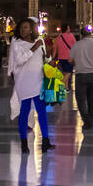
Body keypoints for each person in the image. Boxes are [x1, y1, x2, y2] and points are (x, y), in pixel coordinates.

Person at [9, 18, 54, 153]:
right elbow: (20, 60)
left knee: (41, 111)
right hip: (23, 81)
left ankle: (45, 141)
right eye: (22, 28)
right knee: (25, 110)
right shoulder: (17, 44)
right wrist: (34, 48)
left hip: (38, 80)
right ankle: (23, 142)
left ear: (33, 29)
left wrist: (48, 61)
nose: (24, 30)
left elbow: (43, 58)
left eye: (27, 27)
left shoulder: (38, 41)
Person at [69, 27, 93, 130]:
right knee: (92, 99)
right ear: (91, 34)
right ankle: (90, 119)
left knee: (81, 100)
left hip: (80, 75)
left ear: (81, 34)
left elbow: (70, 60)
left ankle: (87, 120)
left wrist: (78, 64)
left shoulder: (77, 45)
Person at [54, 23, 76, 90]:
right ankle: (61, 84)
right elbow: (75, 46)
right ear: (67, 29)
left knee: (64, 73)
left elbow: (55, 48)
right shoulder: (71, 36)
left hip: (60, 58)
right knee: (69, 72)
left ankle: (66, 88)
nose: (69, 29)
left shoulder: (58, 37)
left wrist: (53, 57)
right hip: (69, 57)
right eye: (68, 28)